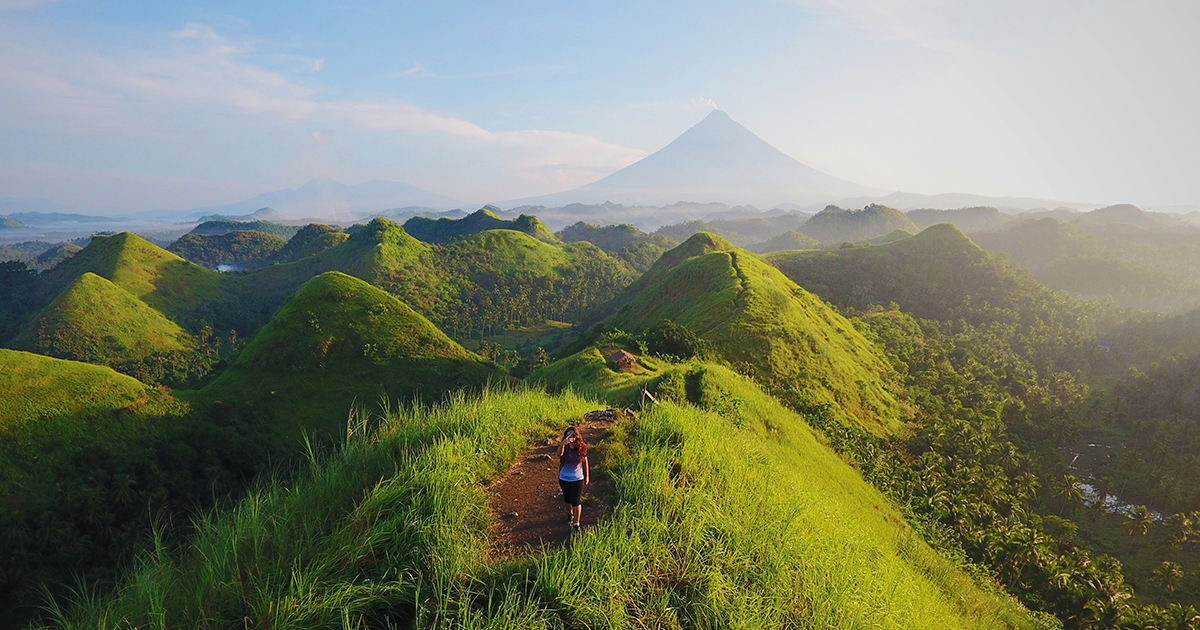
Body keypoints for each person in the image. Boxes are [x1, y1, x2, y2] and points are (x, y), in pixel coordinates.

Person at [557, 425, 589, 533]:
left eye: (573, 435)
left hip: (577, 478)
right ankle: (570, 514)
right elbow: (558, 454)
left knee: (576, 501)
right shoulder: (564, 447)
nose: (571, 437)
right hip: (564, 477)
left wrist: (586, 475)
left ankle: (576, 523)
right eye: (568, 435)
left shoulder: (580, 447)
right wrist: (563, 443)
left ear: (577, 436)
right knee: (567, 500)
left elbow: (585, 461)